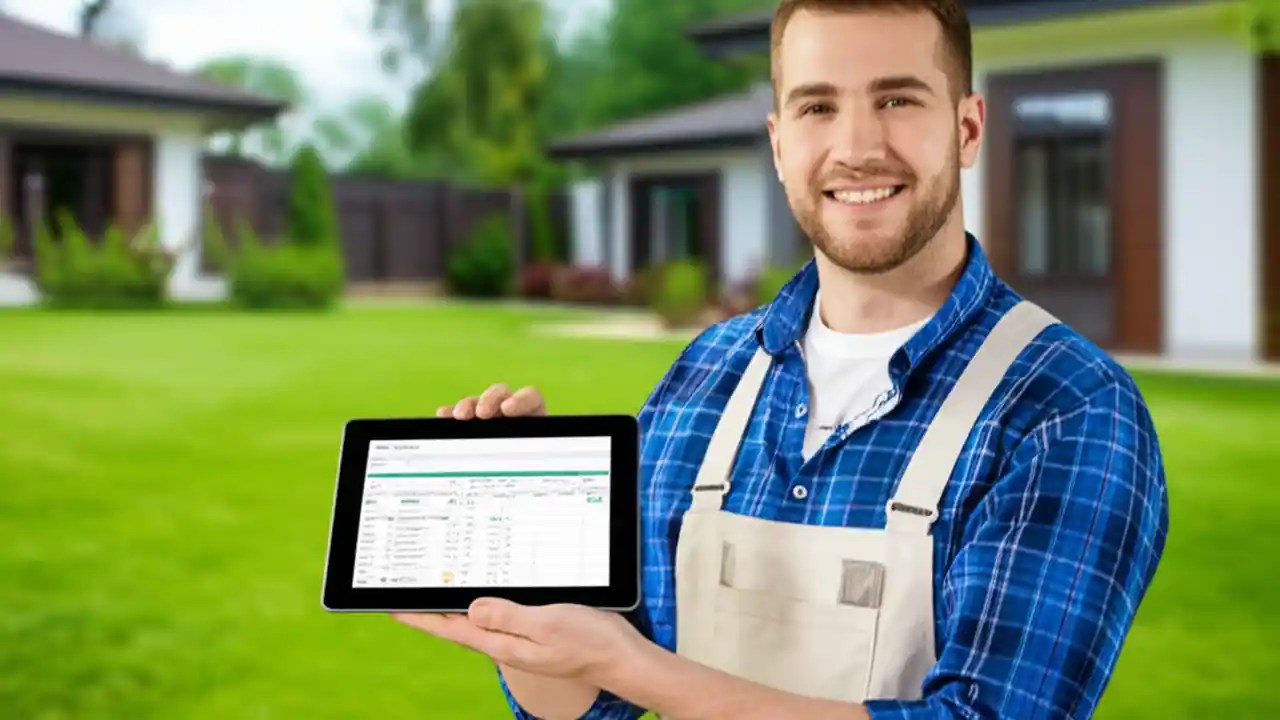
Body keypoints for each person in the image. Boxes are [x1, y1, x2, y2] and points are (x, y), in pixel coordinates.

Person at [391, 0, 1170, 717]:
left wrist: (631, 664)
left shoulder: (1067, 407)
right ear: (777, 142)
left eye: (897, 100)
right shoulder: (708, 374)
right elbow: (591, 705)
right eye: (817, 107)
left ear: (967, 129)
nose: (856, 148)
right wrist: (533, 593)